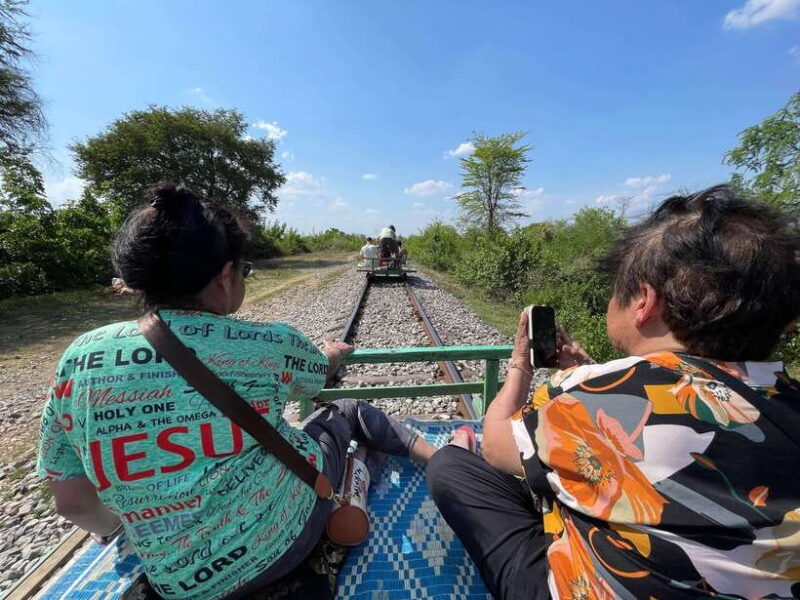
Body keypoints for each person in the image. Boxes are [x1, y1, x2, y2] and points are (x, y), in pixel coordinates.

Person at [36, 183, 436, 600]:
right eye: (244, 271)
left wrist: (117, 530)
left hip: (173, 583)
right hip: (283, 545)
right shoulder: (267, 343)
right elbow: (317, 375)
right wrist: (332, 354)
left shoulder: (77, 357)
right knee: (347, 411)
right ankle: (423, 459)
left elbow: (72, 503)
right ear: (225, 277)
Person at [427, 185, 800, 600]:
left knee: (450, 465)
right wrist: (590, 374)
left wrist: (522, 361)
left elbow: (495, 444)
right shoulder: (789, 396)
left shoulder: (589, 394)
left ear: (643, 300)